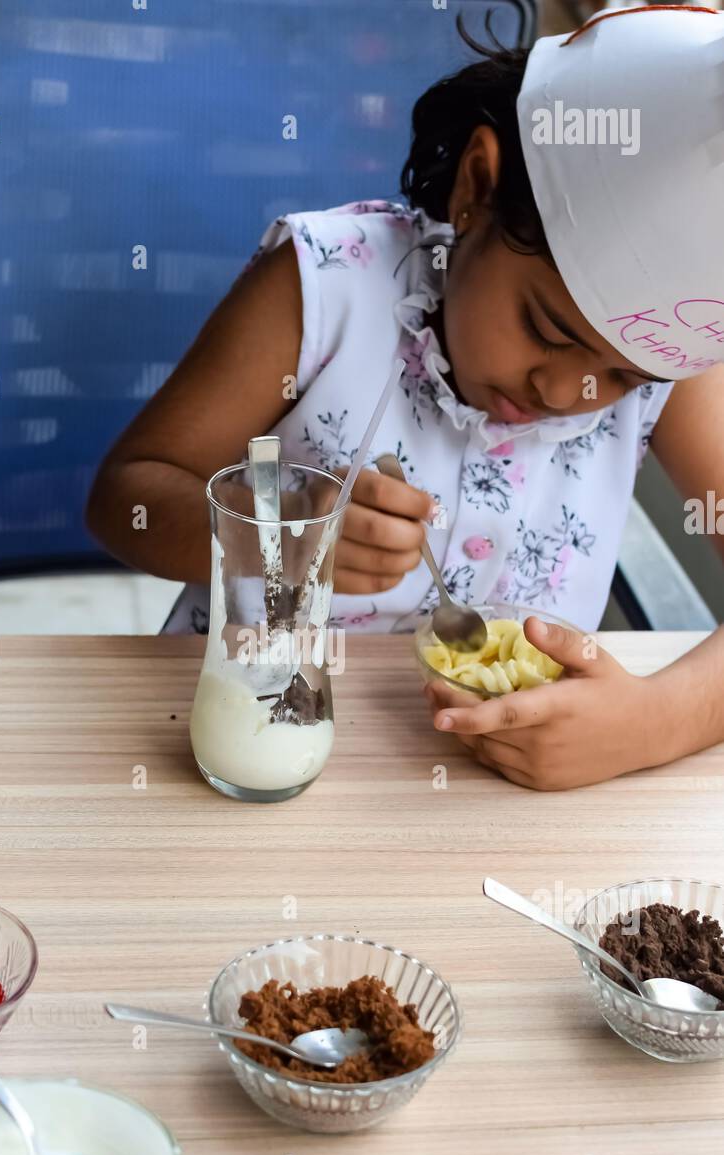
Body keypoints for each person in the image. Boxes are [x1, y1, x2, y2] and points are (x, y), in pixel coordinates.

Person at [88, 6, 724, 791]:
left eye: (622, 378)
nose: (565, 391)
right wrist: (284, 540)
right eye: (544, 328)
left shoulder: (667, 359)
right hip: (249, 747)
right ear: (476, 188)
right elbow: (124, 498)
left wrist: (656, 723)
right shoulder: (326, 286)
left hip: (499, 800)